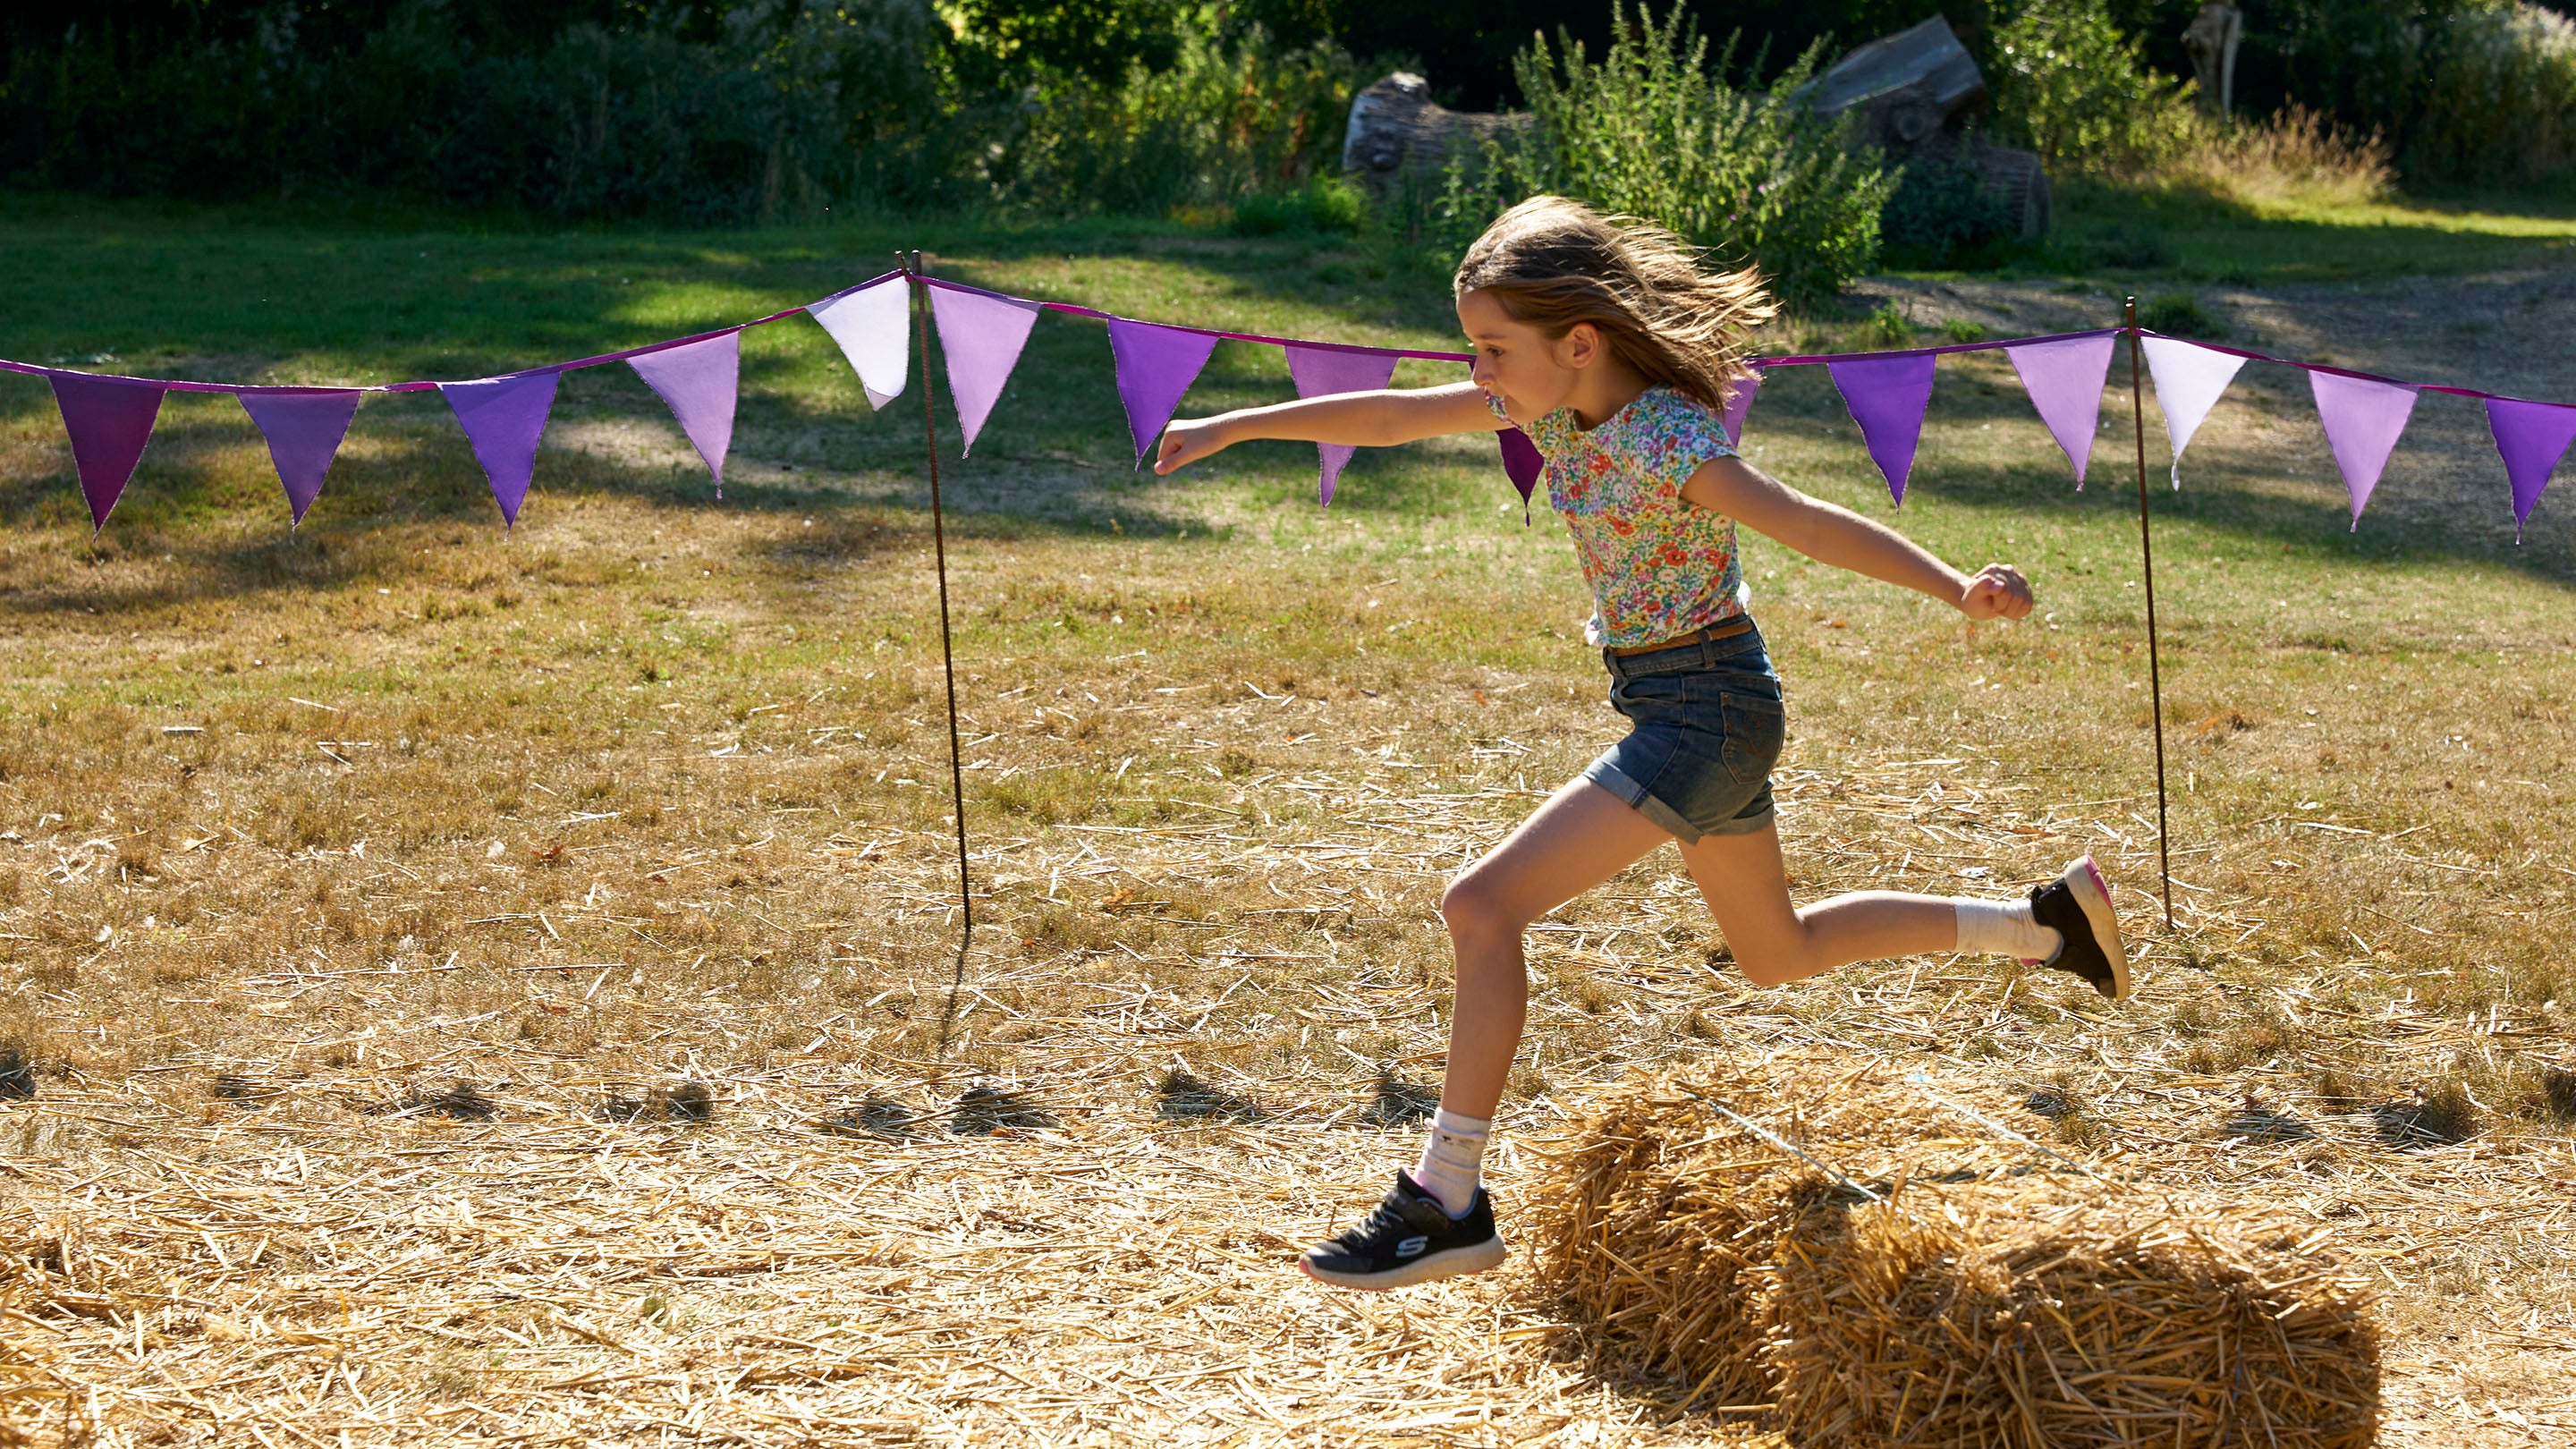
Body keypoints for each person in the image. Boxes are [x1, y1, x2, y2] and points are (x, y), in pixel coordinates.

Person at [1152, 196, 2129, 1292]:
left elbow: (1804, 520)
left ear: (1578, 343)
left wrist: (1955, 587)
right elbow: (1390, 420)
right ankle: (2041, 926)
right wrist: (1233, 427)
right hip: (1693, 704)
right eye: (1472, 347)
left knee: (1481, 907)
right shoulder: (1549, 409)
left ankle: (1447, 1198)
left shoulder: (1665, 434)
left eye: (1490, 349)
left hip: (1703, 709)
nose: (1476, 372)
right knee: (1779, 954)